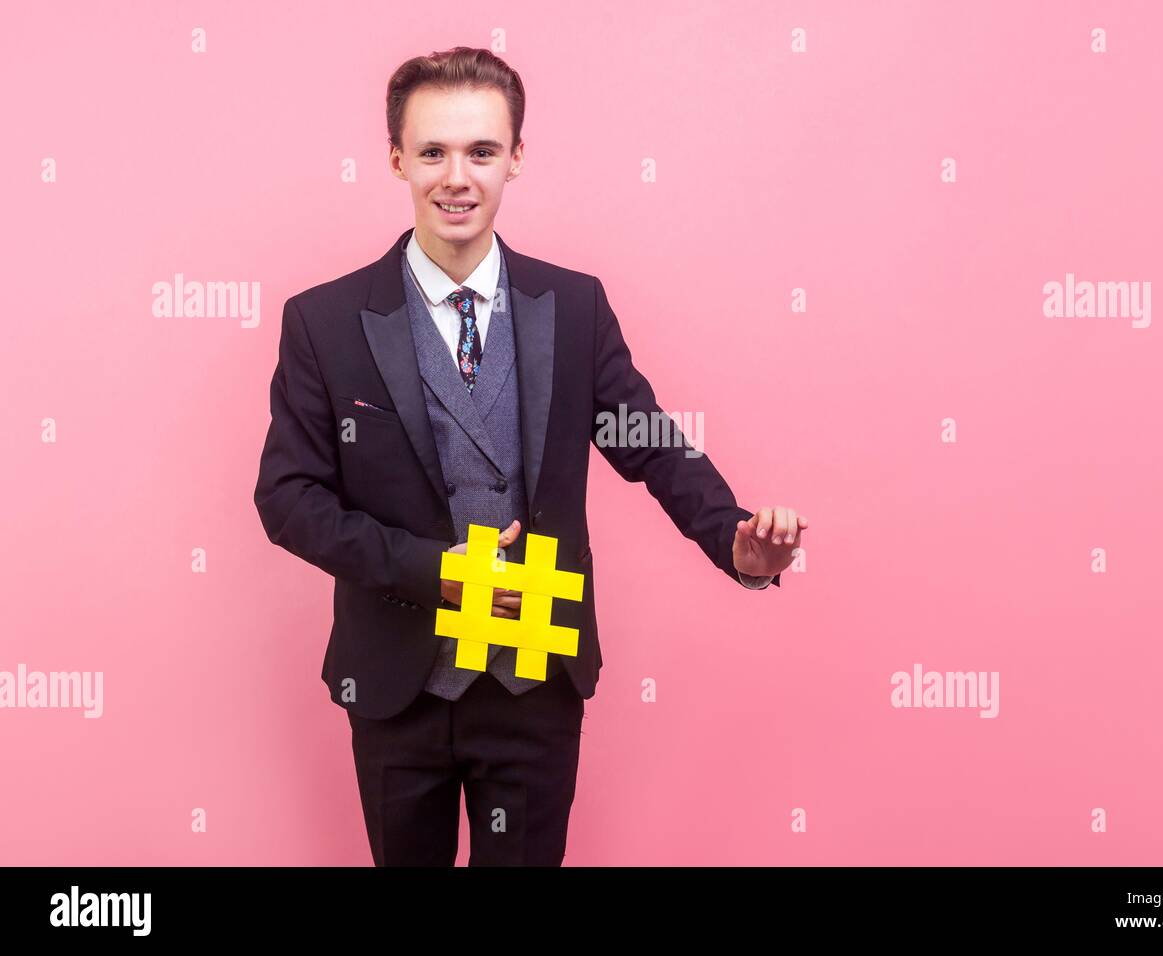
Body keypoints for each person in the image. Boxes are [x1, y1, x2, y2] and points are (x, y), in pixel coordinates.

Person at [253, 46, 808, 866]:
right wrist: (434, 572)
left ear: (516, 157)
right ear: (396, 157)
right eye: (434, 151)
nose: (457, 176)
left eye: (481, 151)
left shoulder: (573, 306)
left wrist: (734, 540)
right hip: (398, 682)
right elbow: (288, 498)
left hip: (536, 672)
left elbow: (646, 441)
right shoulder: (325, 321)